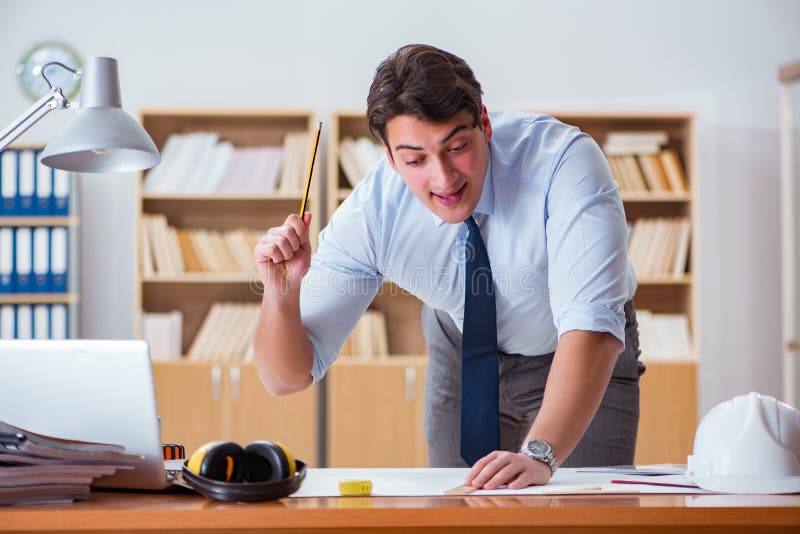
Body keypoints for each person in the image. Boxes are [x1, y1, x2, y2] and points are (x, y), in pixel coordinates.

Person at [252, 44, 643, 490]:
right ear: (390, 157)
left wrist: (541, 454)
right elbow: (285, 379)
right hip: (462, 350)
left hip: (578, 348)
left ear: (485, 124)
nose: (444, 178)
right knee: (459, 506)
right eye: (415, 160)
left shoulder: (563, 162)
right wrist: (281, 295)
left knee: (581, 507)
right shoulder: (374, 211)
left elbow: (591, 324)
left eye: (457, 147)